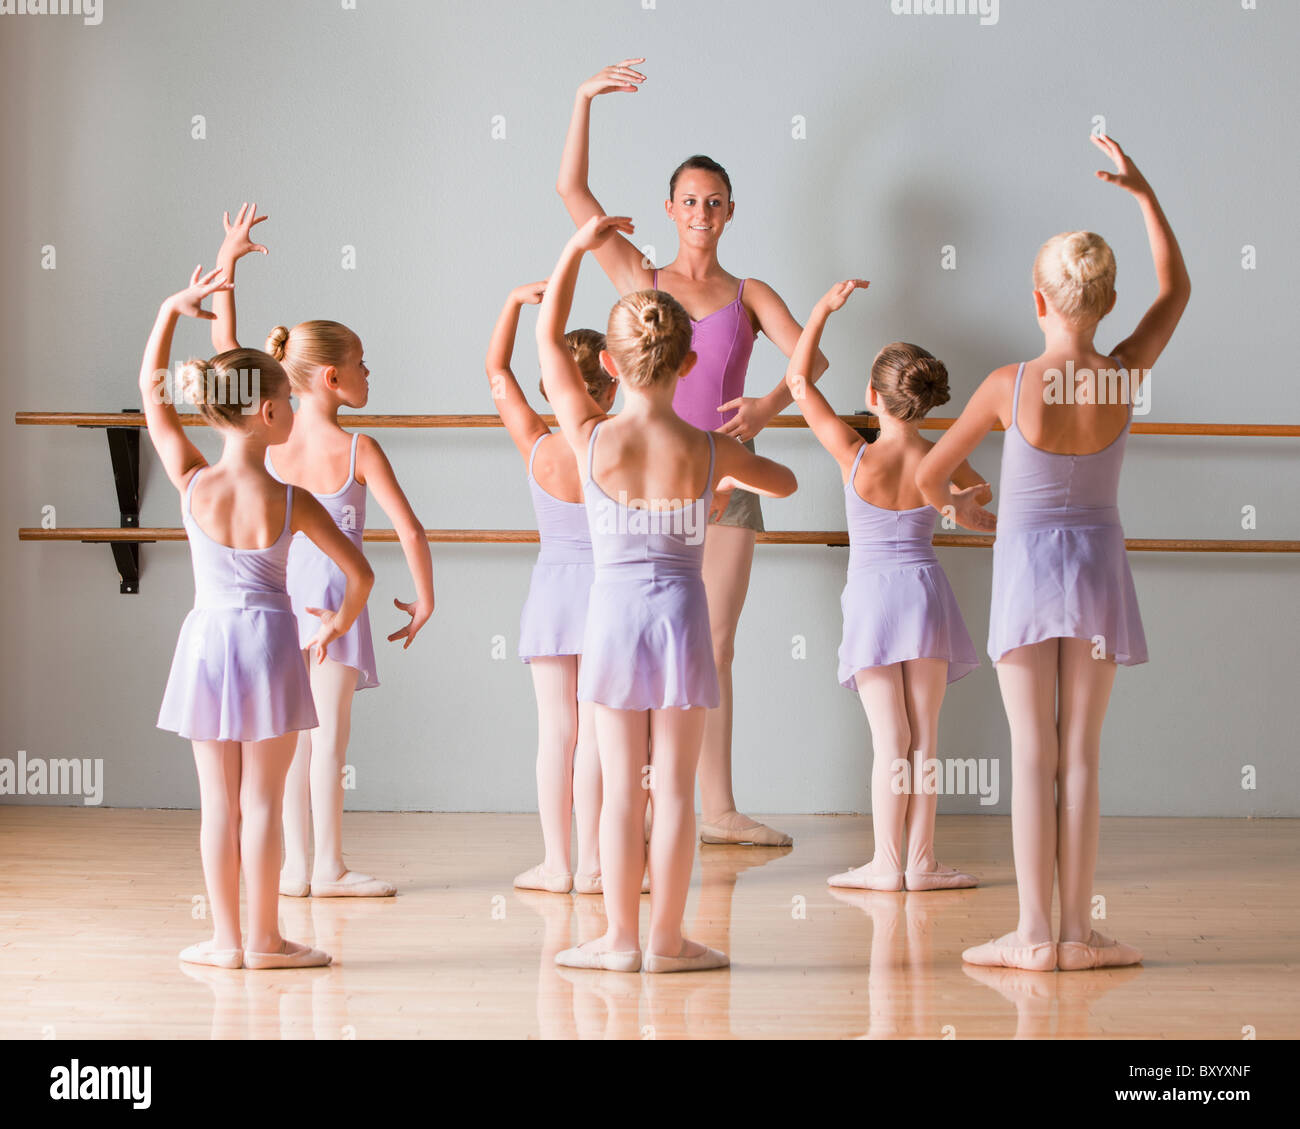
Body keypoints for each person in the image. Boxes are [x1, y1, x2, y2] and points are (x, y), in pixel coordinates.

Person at [916, 135, 1190, 970]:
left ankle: (1034, 936)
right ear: (1104, 303)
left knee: (1031, 752)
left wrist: (962, 505)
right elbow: (1177, 289)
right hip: (1100, 570)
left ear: (1039, 298)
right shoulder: (1123, 374)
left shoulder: (1010, 386)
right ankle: (1079, 930)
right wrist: (1144, 194)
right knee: (1082, 754)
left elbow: (929, 474)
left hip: (1029, 572)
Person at [556, 59, 829, 846]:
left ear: (730, 211)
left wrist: (773, 401)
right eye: (688, 201)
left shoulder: (751, 294)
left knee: (712, 643)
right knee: (641, 634)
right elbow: (576, 198)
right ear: (669, 209)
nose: (701, 211)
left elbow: (807, 364)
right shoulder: (641, 277)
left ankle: (717, 807)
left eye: (714, 202)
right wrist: (582, 101)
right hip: (649, 482)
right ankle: (640, 803)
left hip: (725, 474)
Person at [538, 215, 797, 971]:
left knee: (623, 789)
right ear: (689, 365)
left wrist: (576, 247)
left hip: (614, 620)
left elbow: (550, 342)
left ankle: (618, 940)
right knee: (675, 791)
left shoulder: (589, 437)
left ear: (612, 368)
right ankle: (668, 940)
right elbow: (784, 481)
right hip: (681, 620)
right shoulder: (709, 448)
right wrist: (724, 475)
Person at [147, 265, 373, 968]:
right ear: (271, 413)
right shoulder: (292, 499)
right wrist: (334, 629)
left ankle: (224, 941)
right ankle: (267, 939)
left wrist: (168, 311)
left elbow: (153, 399)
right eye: (283, 396)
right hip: (273, 642)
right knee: (264, 804)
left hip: (209, 643)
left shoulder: (191, 481)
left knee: (220, 803)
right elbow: (359, 574)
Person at [211, 204, 435, 899]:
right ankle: (324, 868)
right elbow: (410, 527)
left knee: (293, 740)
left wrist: (227, 268)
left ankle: (297, 870)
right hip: (336, 603)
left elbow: (230, 364)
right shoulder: (359, 447)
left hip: (282, 605)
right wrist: (425, 597)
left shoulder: (270, 435)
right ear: (332, 379)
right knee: (327, 743)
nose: (371, 371)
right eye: (361, 364)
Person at [786, 279, 986, 892]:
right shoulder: (943, 459)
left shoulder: (854, 454)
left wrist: (820, 310)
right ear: (924, 403)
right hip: (925, 593)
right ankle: (921, 864)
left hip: (873, 599)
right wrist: (965, 500)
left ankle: (885, 864)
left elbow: (798, 384)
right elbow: (976, 502)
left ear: (873, 395)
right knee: (924, 736)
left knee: (888, 739)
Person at [485, 280, 615, 894]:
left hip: (550, 595)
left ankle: (556, 863)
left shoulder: (537, 445)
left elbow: (495, 370)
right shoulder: (616, 447)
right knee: (595, 734)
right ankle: (595, 865)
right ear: (613, 383)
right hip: (607, 596)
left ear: (550, 385)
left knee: (553, 734)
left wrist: (513, 304)